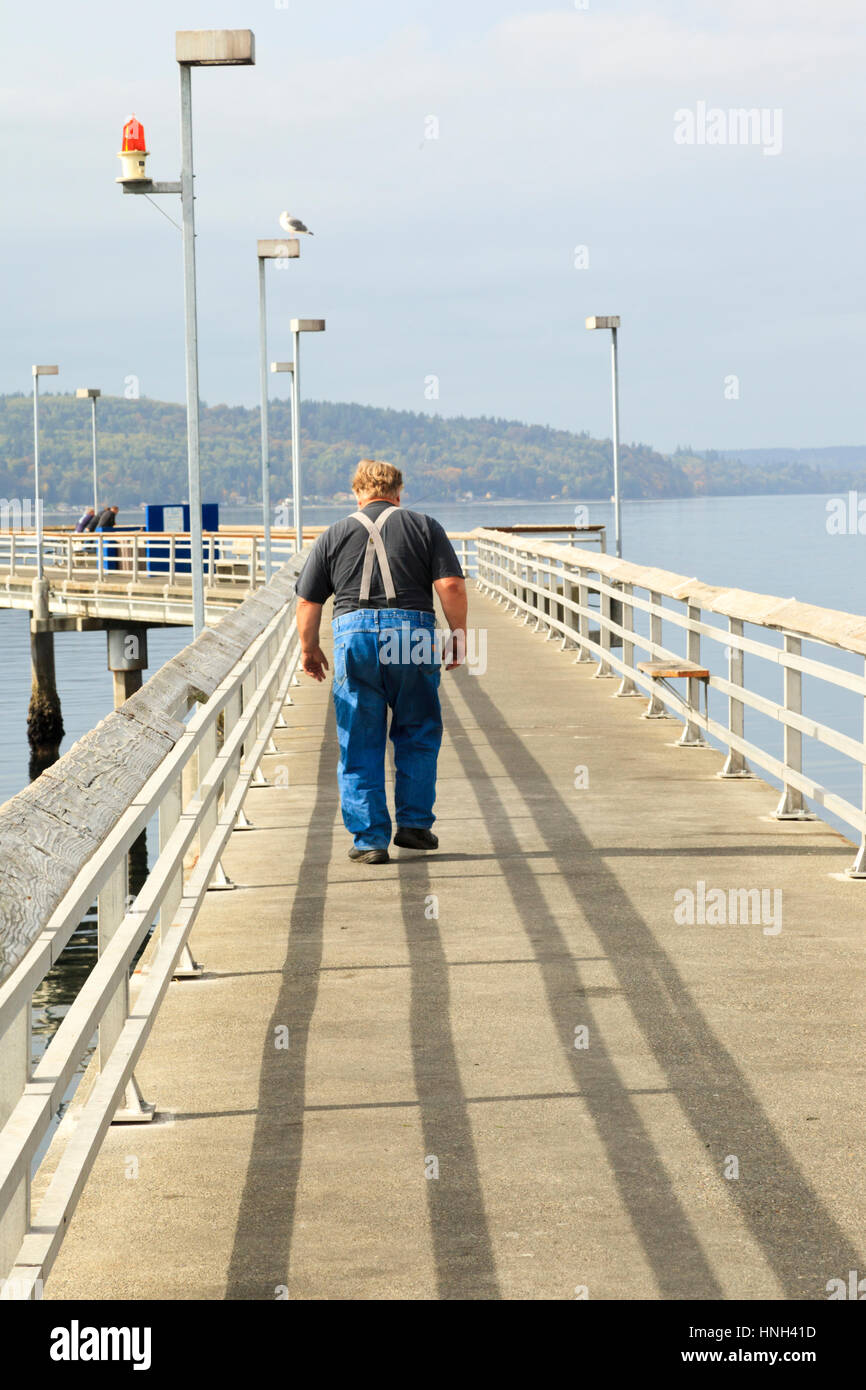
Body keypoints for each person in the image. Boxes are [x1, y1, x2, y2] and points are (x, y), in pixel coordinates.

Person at [295, 460, 468, 865]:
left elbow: (308, 601)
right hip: (411, 635)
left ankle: (370, 839)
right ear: (399, 492)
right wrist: (457, 635)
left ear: (357, 493)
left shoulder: (333, 534)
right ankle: (414, 826)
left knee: (359, 738)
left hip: (353, 635)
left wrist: (309, 649)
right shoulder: (425, 526)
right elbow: (452, 585)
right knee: (418, 730)